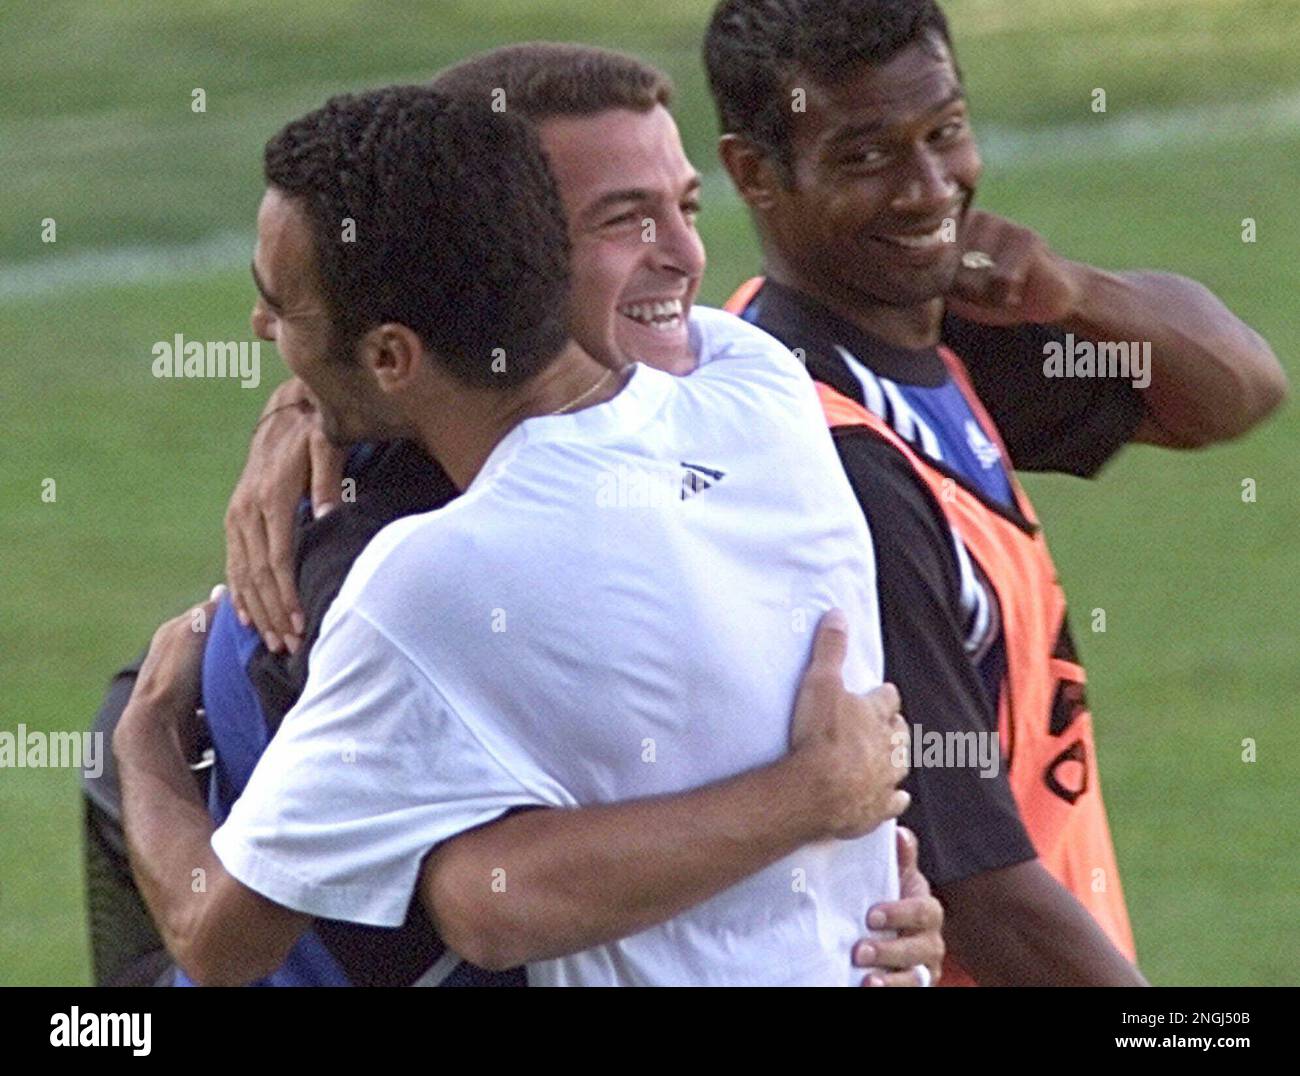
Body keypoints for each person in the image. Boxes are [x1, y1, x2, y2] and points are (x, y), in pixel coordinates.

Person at [87, 45, 945, 989]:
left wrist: (143, 736)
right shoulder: (760, 382)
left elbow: (228, 941)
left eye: (280, 308)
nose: (261, 332)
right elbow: (485, 898)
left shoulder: (420, 580)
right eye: (624, 219)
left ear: (391, 356)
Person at [703, 0, 1286, 984]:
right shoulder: (836, 469)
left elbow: (1235, 391)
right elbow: (981, 895)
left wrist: (1074, 289)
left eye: (945, 132)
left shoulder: (923, 333)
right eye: (867, 156)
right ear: (754, 173)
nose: (929, 188)